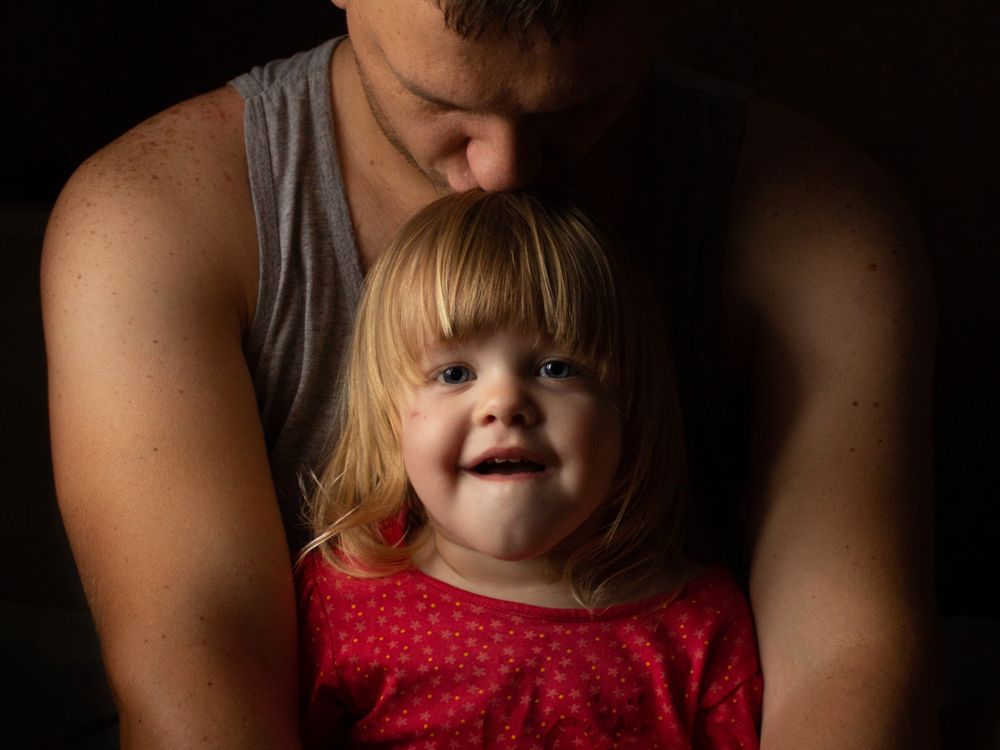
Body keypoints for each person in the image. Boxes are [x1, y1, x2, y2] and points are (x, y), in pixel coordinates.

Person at [40, 1, 937, 748]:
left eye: (578, 106)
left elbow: (848, 662)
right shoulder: (149, 219)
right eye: (438, 100)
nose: (503, 172)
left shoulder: (824, 230)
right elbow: (202, 666)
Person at [297, 188, 761, 748]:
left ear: (629, 410)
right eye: (454, 374)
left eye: (556, 368)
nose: (504, 403)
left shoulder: (701, 627)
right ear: (390, 421)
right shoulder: (344, 601)